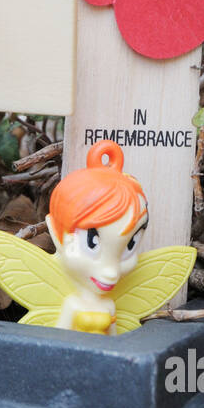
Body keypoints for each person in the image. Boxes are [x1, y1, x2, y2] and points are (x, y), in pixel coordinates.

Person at [46, 141, 149, 333]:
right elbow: (57, 340)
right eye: (91, 241)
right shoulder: (72, 305)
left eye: (131, 245)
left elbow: (114, 337)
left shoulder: (108, 305)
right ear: (55, 233)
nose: (111, 272)